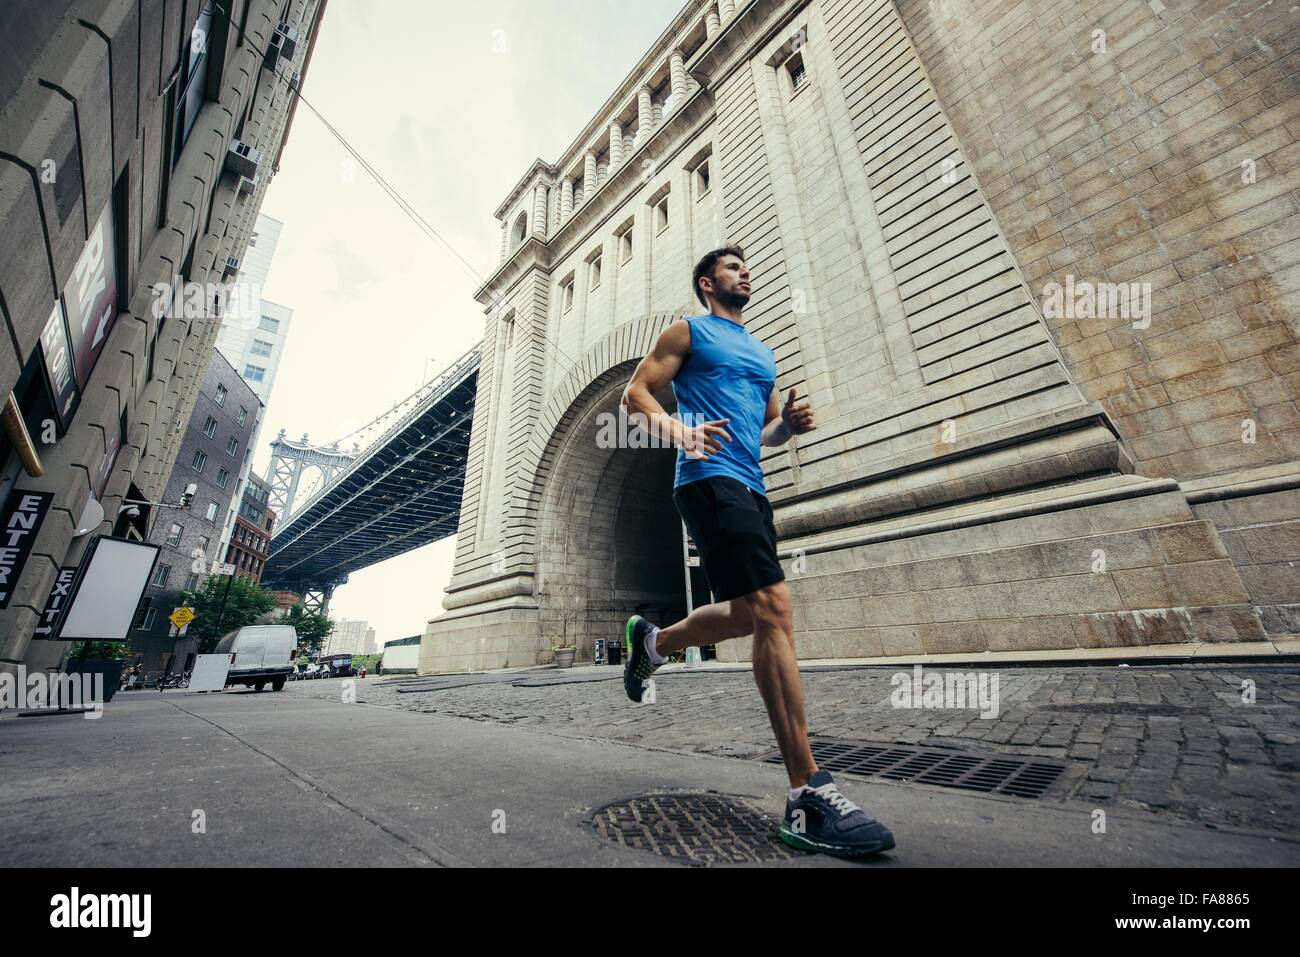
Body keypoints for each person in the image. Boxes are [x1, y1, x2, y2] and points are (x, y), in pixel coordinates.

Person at [618, 246, 895, 858]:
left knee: (748, 616)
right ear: (707, 283)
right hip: (708, 480)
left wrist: (788, 428)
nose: (746, 272)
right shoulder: (687, 332)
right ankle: (807, 793)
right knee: (775, 609)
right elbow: (637, 394)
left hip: (750, 485)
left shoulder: (763, 354)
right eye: (733, 268)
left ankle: (654, 643)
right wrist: (682, 433)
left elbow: (766, 431)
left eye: (747, 267)